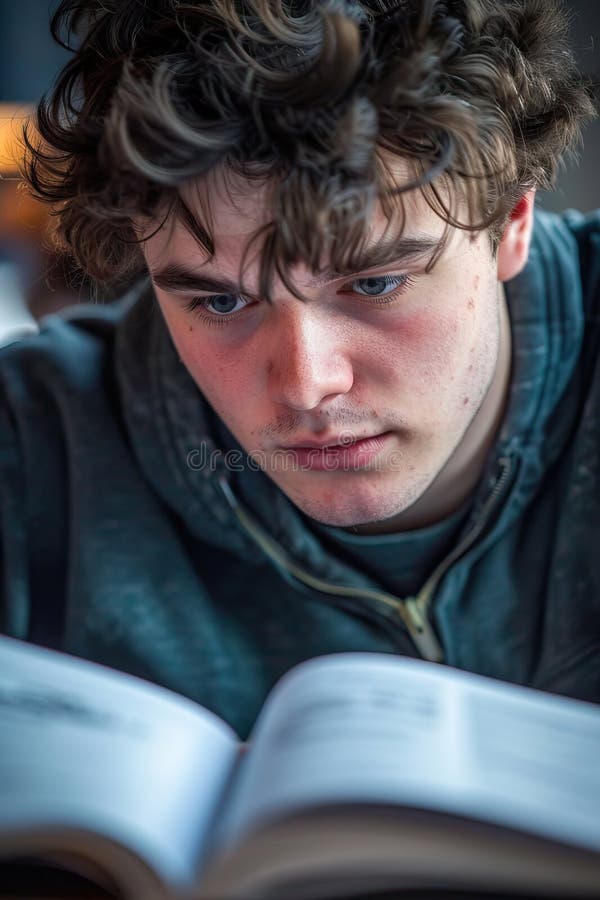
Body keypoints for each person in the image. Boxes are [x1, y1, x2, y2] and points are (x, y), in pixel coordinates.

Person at [1, 0, 598, 738]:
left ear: (512, 224)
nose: (306, 384)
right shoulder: (30, 449)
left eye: (374, 284)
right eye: (220, 301)